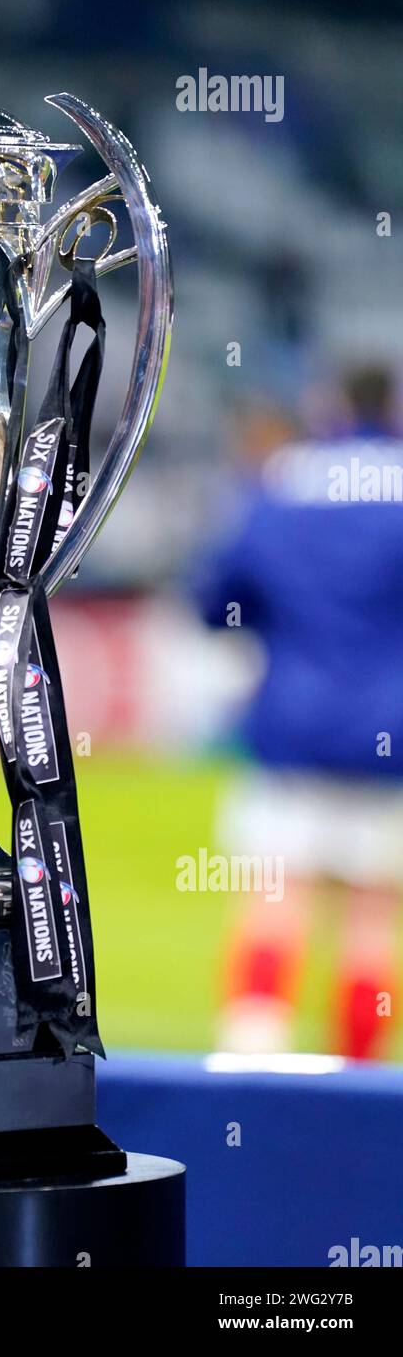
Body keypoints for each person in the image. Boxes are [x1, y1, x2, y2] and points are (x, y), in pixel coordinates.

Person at [192, 367, 403, 1058]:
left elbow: (217, 598)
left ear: (332, 401)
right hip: (391, 737)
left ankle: (251, 1077)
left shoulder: (281, 483)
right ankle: (357, 1091)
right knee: (375, 916)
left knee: (276, 903)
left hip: (292, 726)